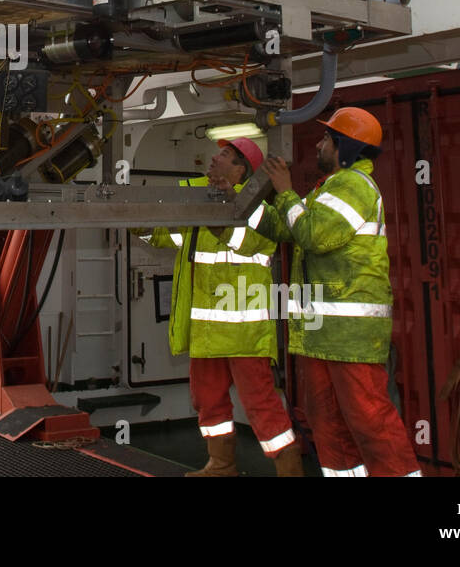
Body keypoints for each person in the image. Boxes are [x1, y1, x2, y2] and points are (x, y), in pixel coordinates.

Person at [259, 107, 422, 477]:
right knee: (328, 421)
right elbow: (290, 228)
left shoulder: (353, 185)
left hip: (350, 337)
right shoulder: (330, 188)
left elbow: (316, 235)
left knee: (370, 421)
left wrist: (285, 191)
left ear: (344, 148)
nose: (318, 145)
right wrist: (243, 204)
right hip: (324, 335)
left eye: (326, 140)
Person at [138, 137, 303, 477]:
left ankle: (291, 472)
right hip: (207, 333)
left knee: (262, 407)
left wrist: (220, 208)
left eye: (225, 155)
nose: (214, 158)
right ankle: (221, 465)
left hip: (244, 334)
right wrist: (133, 218)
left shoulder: (260, 210)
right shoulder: (199, 209)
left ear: (242, 170)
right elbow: (162, 235)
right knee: (208, 401)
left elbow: (249, 241)